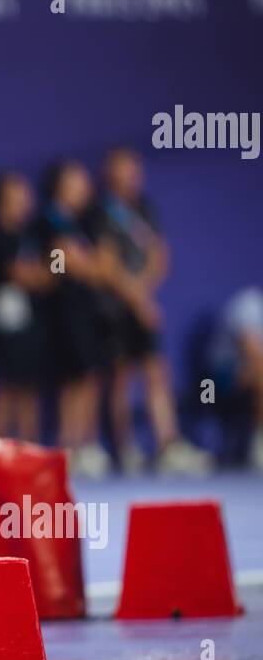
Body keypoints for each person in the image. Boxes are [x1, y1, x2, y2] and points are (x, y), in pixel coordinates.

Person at [92, 147, 212, 475]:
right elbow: (107, 264)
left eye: (134, 171)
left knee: (157, 371)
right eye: (122, 172)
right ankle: (126, 449)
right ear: (110, 175)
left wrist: (145, 291)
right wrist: (139, 300)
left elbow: (159, 254)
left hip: (142, 302)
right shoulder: (100, 211)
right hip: (113, 308)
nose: (130, 178)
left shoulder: (145, 207)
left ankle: (167, 445)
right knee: (120, 377)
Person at [35, 161, 113, 478]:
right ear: (60, 187)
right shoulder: (49, 221)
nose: (85, 187)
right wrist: (93, 267)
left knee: (89, 375)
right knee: (73, 379)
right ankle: (67, 447)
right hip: (61, 314)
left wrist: (93, 267)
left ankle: (86, 444)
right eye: (77, 182)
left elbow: (101, 267)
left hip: (85, 312)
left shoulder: (81, 223)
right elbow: (71, 264)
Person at [0, 172, 50, 442]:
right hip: (5, 328)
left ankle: (28, 451)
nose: (25, 204)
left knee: (30, 389)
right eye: (17, 199)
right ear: (0, 204)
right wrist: (54, 272)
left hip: (32, 327)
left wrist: (53, 268)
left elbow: (52, 264)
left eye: (26, 198)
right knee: (5, 387)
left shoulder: (31, 236)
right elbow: (25, 275)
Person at [210, 287, 263, 471]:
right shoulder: (250, 305)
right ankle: (260, 443)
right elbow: (252, 353)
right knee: (260, 371)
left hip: (250, 369)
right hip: (218, 379)